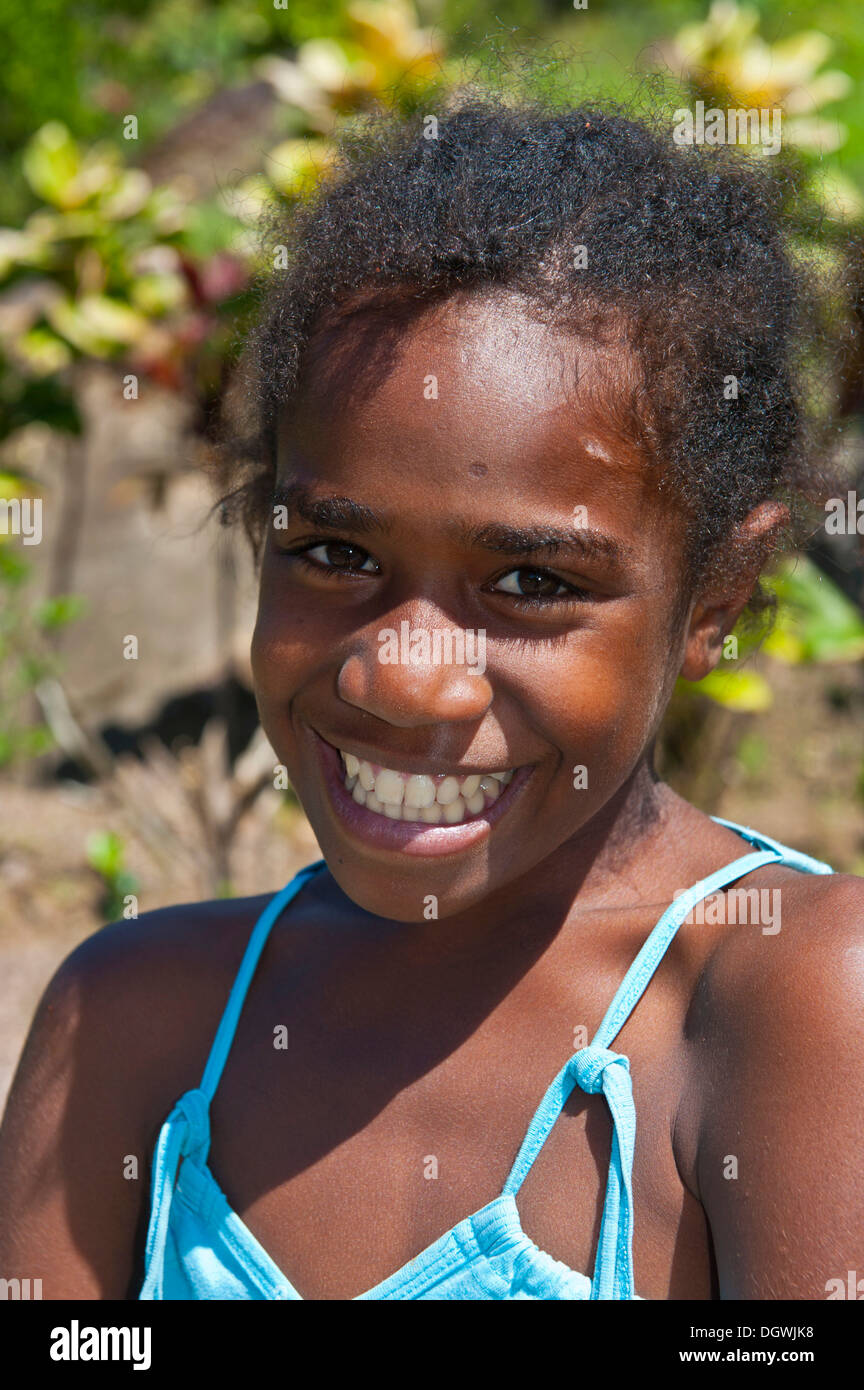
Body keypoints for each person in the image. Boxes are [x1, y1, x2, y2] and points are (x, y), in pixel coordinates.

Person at [1, 94, 862, 1301]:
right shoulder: (137, 1019)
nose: (398, 677)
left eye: (532, 581)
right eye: (335, 554)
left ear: (717, 596)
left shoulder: (789, 997)